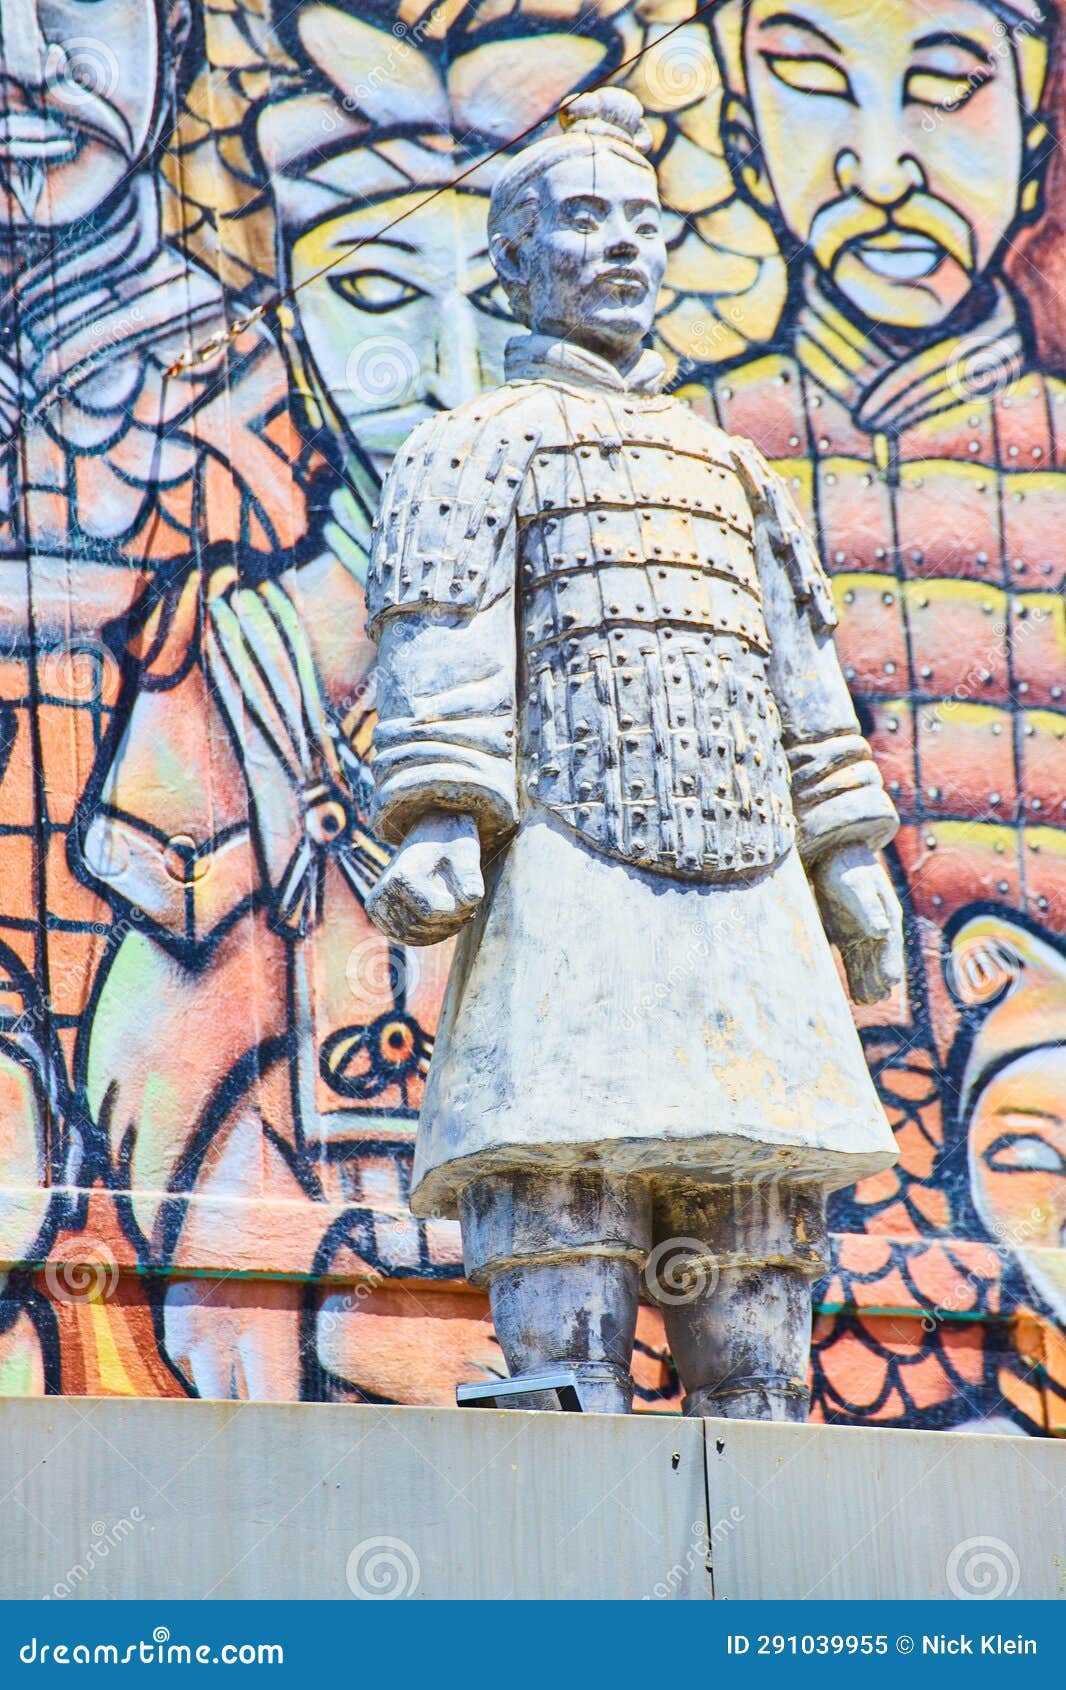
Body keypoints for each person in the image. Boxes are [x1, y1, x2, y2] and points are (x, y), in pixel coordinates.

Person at [364, 88, 903, 1419]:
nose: (620, 245)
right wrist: (440, 821)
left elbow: (799, 674)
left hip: (750, 901)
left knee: (758, 1275)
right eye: (584, 218)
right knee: (565, 1238)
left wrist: (847, 859)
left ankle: (760, 1493)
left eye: (643, 223)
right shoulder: (471, 447)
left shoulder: (731, 469)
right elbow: (444, 637)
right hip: (568, 890)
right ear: (513, 258)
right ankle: (574, 1489)